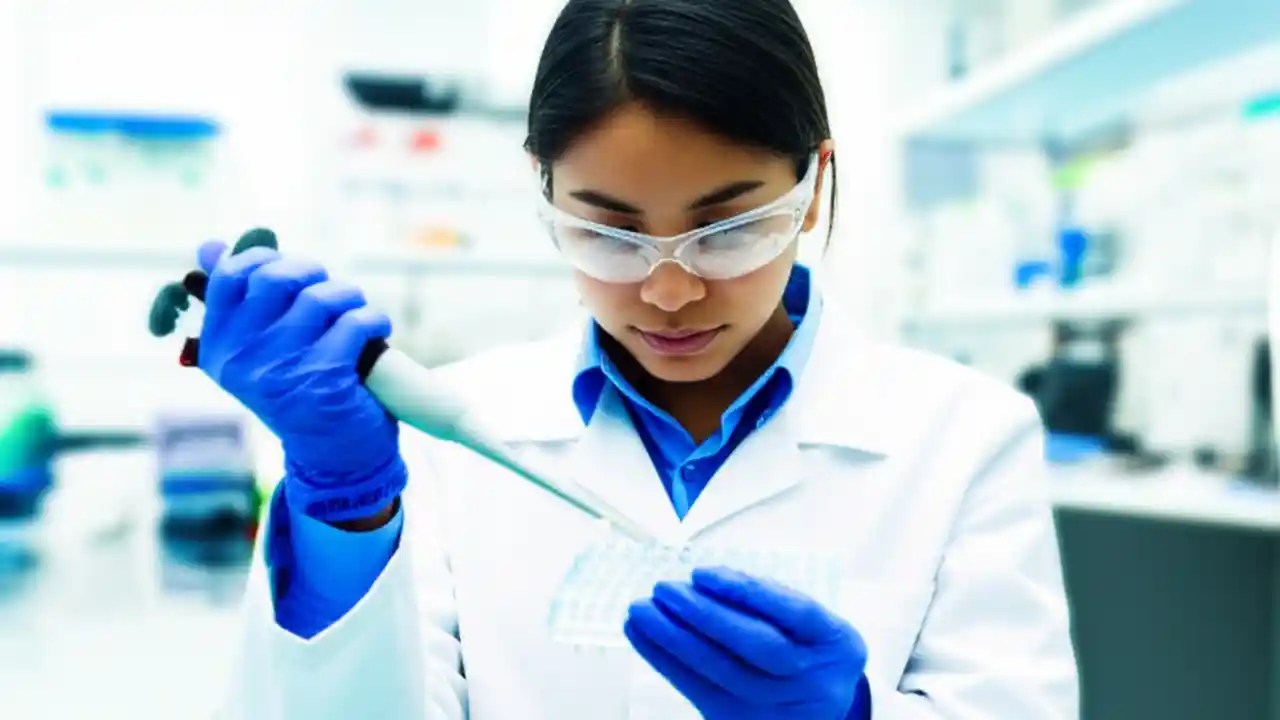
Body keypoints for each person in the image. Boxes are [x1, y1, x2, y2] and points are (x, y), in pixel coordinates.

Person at [208, 0, 1079, 717]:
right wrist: (344, 513)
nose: (669, 292)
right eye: (610, 234)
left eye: (730, 230)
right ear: (544, 192)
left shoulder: (963, 436)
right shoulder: (450, 438)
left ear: (812, 189)